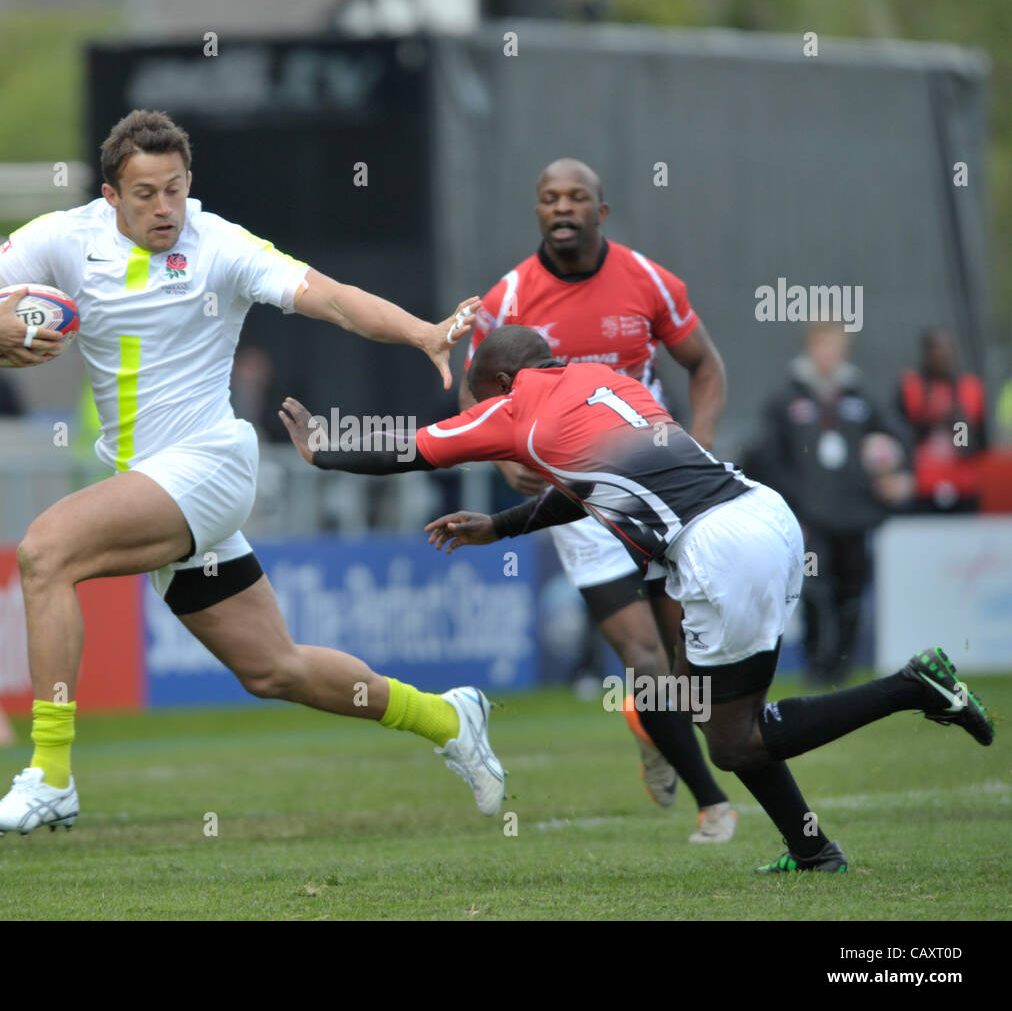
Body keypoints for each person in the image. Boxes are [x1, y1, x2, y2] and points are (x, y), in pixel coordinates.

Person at [0, 109, 503, 833]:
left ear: (189, 181)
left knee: (45, 553)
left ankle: (51, 774)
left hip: (210, 466)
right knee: (273, 669)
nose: (164, 208)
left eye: (175, 188)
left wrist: (423, 332)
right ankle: (448, 717)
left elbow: (331, 298)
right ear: (110, 196)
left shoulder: (220, 244)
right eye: (144, 194)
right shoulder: (66, 239)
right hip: (150, 480)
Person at [281, 325, 994, 872]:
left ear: (499, 378)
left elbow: (414, 446)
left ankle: (912, 687)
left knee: (735, 738)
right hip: (762, 515)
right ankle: (815, 853)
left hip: (719, 547)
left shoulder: (516, 405)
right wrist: (498, 526)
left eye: (480, 389)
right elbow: (591, 490)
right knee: (735, 721)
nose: (480, 404)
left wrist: (325, 447)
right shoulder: (604, 377)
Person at [459, 158, 734, 842]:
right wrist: (503, 454)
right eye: (549, 197)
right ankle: (713, 802)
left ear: (600, 211)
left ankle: (652, 721)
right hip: (572, 495)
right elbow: (473, 391)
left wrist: (697, 446)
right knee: (640, 655)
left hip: (657, 481)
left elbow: (705, 365)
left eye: (576, 196)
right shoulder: (509, 297)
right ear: (537, 211)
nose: (562, 207)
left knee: (681, 653)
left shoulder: (647, 280)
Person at [747, 323, 912, 686]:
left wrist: (895, 472)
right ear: (810, 349)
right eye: (822, 347)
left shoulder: (861, 399)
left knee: (851, 592)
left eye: (835, 347)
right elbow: (766, 457)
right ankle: (818, 665)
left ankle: (844, 666)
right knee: (815, 592)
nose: (828, 355)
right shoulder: (786, 400)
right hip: (809, 519)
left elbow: (899, 440)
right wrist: (787, 506)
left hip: (855, 517)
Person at [897, 328, 986, 513]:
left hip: (962, 485)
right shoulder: (911, 388)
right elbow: (902, 435)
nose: (941, 357)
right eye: (935, 350)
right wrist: (928, 421)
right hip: (922, 486)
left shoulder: (968, 389)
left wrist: (956, 423)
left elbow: (976, 443)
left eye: (946, 350)